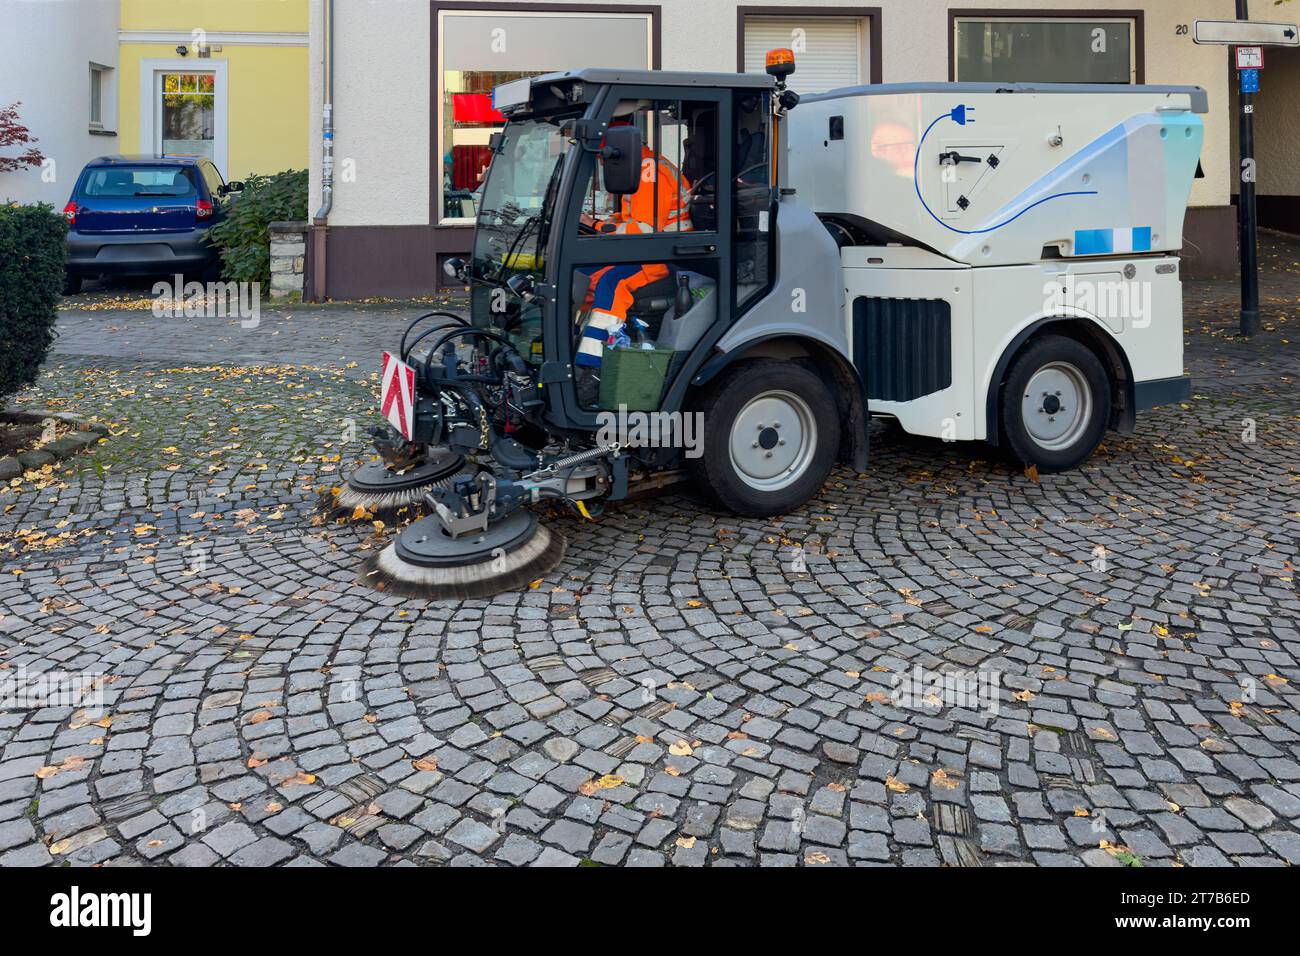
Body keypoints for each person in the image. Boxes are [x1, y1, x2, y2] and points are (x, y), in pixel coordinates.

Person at [574, 117, 692, 394]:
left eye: (602, 155)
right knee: (584, 277)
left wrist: (596, 226)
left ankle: (593, 369)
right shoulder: (639, 168)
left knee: (613, 283)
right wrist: (601, 223)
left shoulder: (649, 171)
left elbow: (644, 228)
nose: (602, 163)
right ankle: (577, 348)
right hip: (647, 249)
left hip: (665, 254)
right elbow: (630, 218)